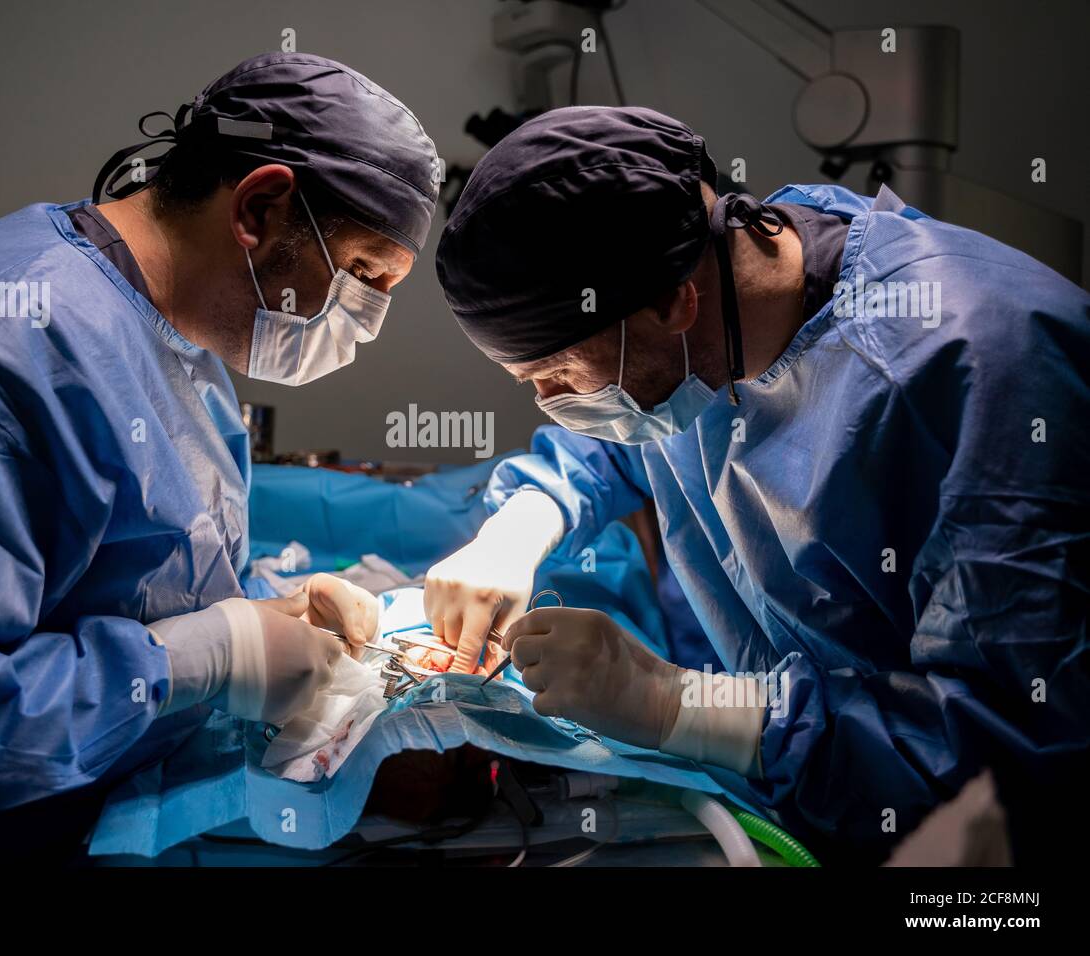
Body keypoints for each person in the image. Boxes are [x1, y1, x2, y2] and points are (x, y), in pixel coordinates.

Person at [0, 52, 438, 858]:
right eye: (361, 276)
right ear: (262, 209)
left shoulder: (182, 335)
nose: (364, 324)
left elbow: (139, 566)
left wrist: (258, 614)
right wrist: (200, 658)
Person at [425, 106, 1089, 861]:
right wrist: (521, 525)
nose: (553, 405)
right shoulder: (735, 274)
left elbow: (1014, 757)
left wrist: (688, 707)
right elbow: (620, 432)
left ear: (675, 303)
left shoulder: (983, 373)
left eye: (558, 376)